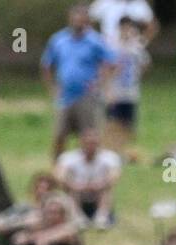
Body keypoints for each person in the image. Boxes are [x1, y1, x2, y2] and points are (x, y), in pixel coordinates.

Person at [40, 5, 115, 161]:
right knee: (59, 134)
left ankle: (89, 167)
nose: (78, 22)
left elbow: (110, 63)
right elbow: (47, 65)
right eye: (75, 19)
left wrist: (102, 84)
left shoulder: (95, 41)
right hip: (65, 96)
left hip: (87, 95)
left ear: (87, 21)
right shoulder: (59, 40)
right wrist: (52, 89)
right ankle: (58, 167)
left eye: (81, 19)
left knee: (89, 136)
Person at [103, 16, 150, 159]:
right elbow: (105, 68)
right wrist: (106, 88)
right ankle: (112, 150)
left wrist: (138, 75)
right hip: (115, 91)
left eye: (129, 28)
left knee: (128, 124)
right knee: (113, 123)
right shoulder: (111, 46)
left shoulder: (137, 47)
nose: (126, 31)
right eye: (124, 28)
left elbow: (145, 63)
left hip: (131, 91)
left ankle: (122, 151)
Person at [55, 127, 122, 227]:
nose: (91, 146)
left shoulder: (110, 157)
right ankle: (77, 218)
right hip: (76, 192)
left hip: (98, 193)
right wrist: (74, 185)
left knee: (106, 191)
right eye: (88, 143)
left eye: (93, 143)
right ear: (81, 142)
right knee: (71, 192)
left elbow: (114, 175)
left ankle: (101, 218)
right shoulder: (68, 157)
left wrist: (100, 185)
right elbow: (59, 175)